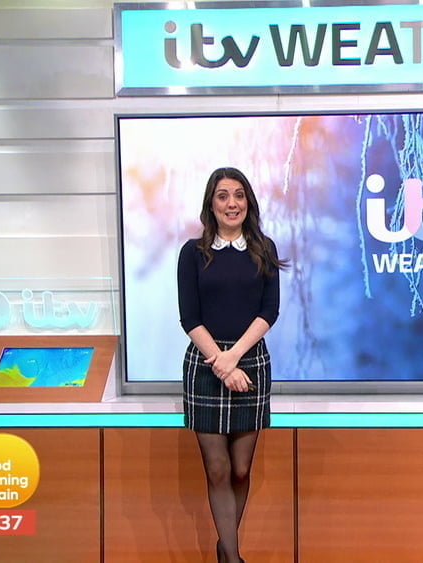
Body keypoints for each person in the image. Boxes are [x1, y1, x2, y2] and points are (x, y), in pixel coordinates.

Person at [177, 166, 288, 563]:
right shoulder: (192, 253)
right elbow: (190, 317)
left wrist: (234, 357)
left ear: (248, 203)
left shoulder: (263, 249)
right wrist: (221, 363)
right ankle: (234, 559)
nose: (232, 203)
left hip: (250, 361)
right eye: (223, 196)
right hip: (205, 365)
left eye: (239, 195)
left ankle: (224, 550)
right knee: (218, 469)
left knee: (241, 469)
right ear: (211, 203)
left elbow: (269, 311)